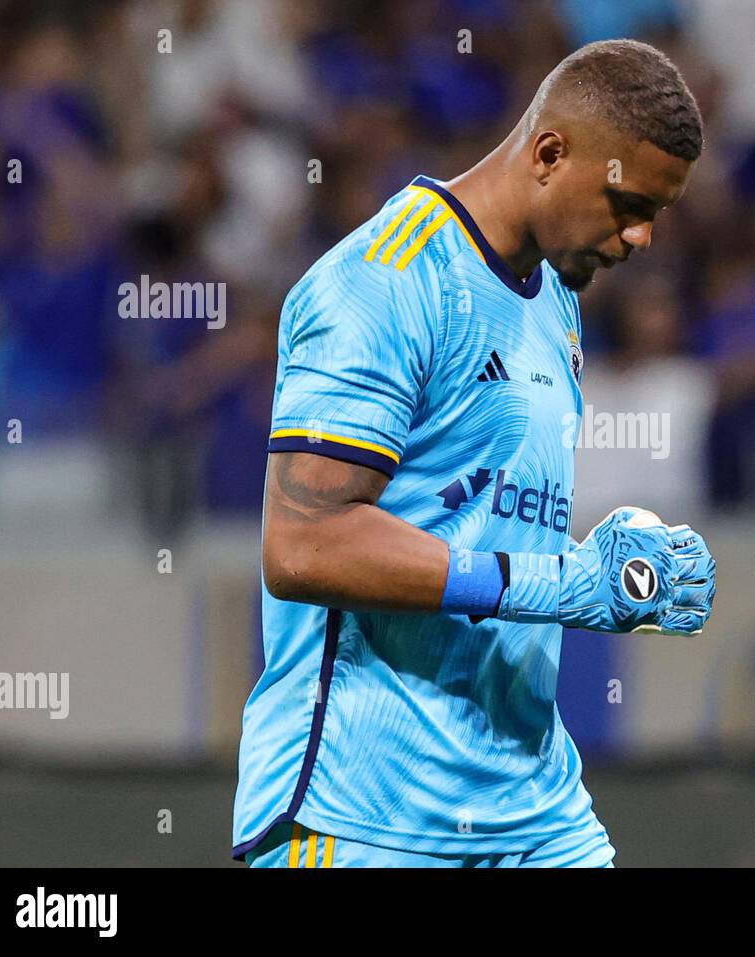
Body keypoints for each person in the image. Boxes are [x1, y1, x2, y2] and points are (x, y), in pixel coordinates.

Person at [232, 39, 717, 869]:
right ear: (550, 153)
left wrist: (613, 566)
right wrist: (563, 583)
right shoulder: (384, 281)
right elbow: (306, 543)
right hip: (366, 810)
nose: (640, 236)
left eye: (657, 213)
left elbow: (474, 522)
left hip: (532, 807)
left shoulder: (556, 292)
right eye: (630, 202)